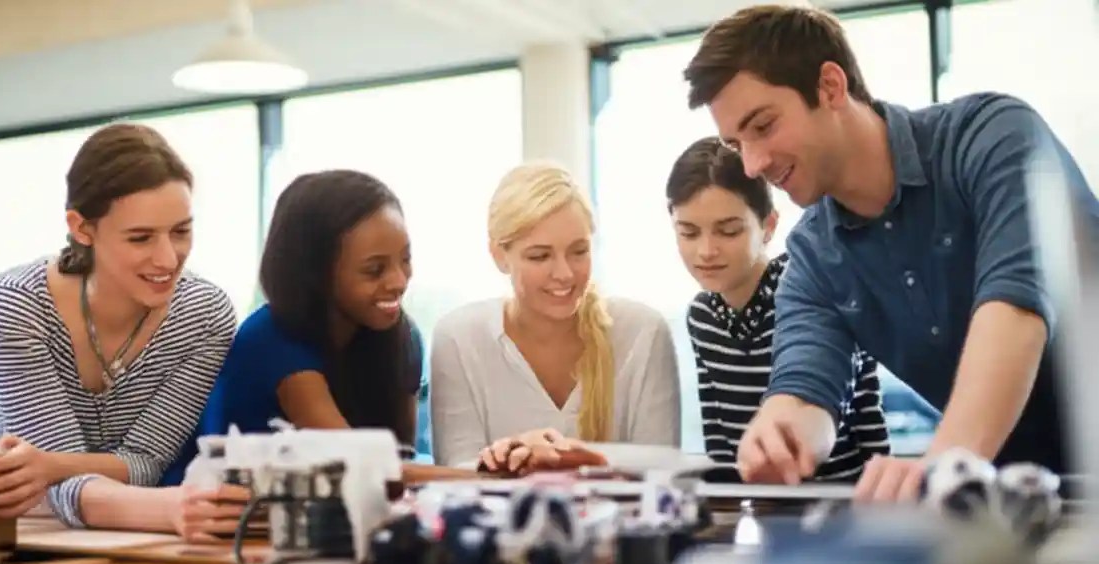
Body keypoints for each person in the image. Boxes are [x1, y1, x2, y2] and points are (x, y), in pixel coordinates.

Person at [683, 5, 1099, 501]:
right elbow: (806, 388)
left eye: (764, 126)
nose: (752, 165)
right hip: (1032, 497)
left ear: (830, 87)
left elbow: (1015, 310)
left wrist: (941, 464)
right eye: (736, 144)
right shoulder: (813, 257)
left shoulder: (992, 138)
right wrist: (782, 430)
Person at [0, 123, 247, 541]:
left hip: (129, 524)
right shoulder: (15, 304)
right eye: (140, 238)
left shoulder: (203, 315)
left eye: (181, 232)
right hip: (20, 524)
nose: (168, 259)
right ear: (82, 228)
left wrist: (51, 466)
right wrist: (166, 508)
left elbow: (147, 461)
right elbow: (55, 485)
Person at [162, 169, 461, 486]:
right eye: (374, 270)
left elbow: (400, 459)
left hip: (325, 507)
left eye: (405, 260)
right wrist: (487, 479)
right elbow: (357, 464)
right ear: (315, 273)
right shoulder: (270, 338)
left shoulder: (402, 338)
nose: (399, 281)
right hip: (212, 506)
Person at [430, 161, 680, 469]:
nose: (564, 274)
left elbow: (664, 471)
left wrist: (564, 458)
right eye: (540, 256)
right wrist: (523, 459)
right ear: (499, 256)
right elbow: (454, 476)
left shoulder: (644, 333)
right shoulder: (459, 339)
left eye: (579, 251)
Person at [668, 136, 890, 481]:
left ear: (768, 226)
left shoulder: (810, 290)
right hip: (758, 502)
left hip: (839, 497)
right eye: (689, 233)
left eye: (729, 231)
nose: (706, 251)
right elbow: (719, 440)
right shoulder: (702, 317)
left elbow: (866, 412)